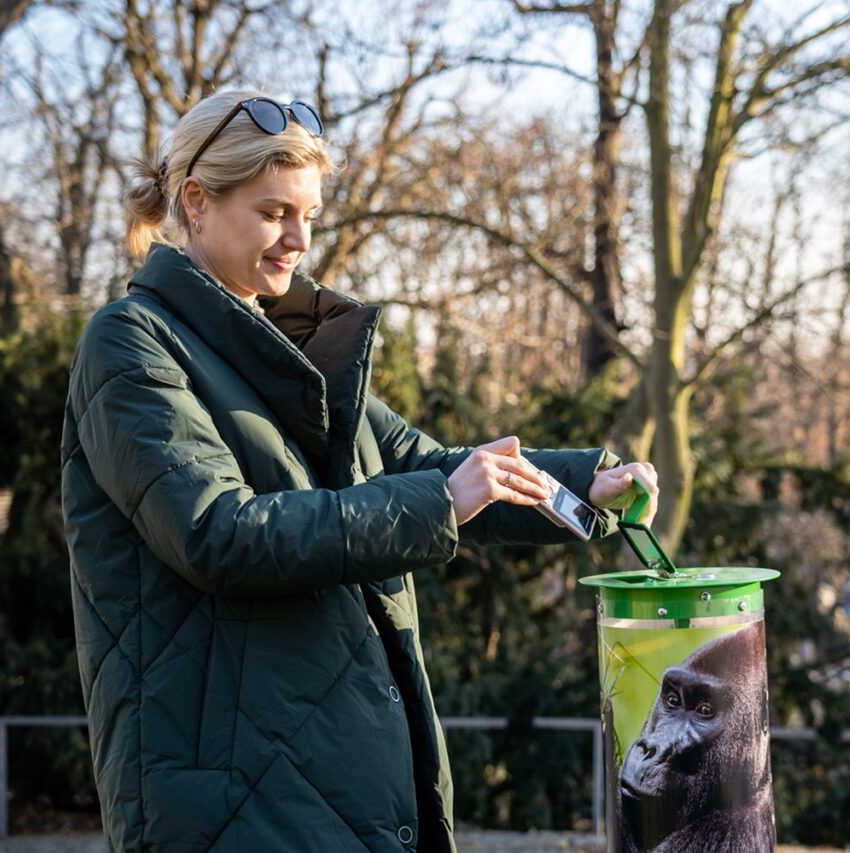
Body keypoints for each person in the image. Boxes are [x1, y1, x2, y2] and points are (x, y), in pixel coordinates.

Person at [61, 89, 658, 852]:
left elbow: (425, 465)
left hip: (341, 791)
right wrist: (439, 501)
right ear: (197, 202)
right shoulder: (130, 345)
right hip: (232, 810)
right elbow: (217, 532)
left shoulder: (281, 352)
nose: (298, 238)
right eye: (274, 211)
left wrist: (584, 486)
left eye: (308, 215)